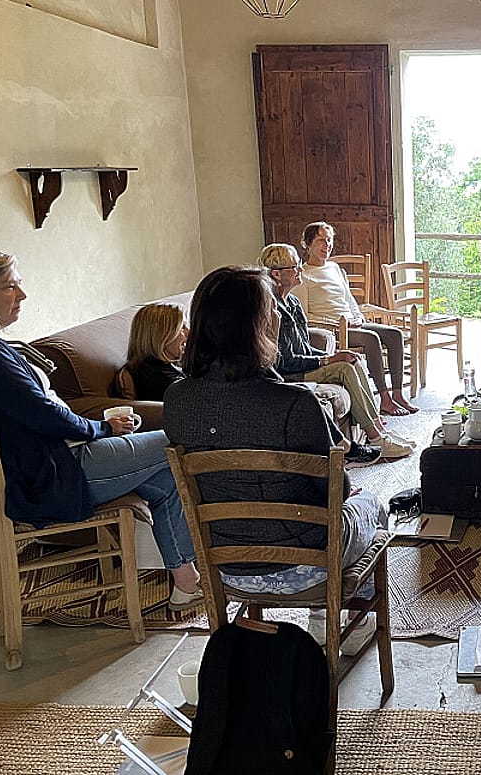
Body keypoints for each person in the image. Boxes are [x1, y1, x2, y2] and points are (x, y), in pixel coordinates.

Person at [0, 249, 202, 611]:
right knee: (183, 439)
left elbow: (41, 411)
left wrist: (101, 429)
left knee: (164, 474)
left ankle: (187, 584)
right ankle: (205, 565)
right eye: (10, 287)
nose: (22, 295)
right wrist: (103, 428)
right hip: (55, 473)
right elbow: (44, 414)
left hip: (55, 461)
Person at [163, 266, 389, 654]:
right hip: (304, 565)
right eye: (272, 309)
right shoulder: (297, 403)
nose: (280, 316)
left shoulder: (177, 400)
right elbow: (337, 493)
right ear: (253, 326)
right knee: (372, 505)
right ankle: (341, 619)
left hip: (223, 565)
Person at [261, 243, 413, 460]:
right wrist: (328, 359)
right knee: (343, 368)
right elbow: (285, 362)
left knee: (352, 361)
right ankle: (375, 438)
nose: (299, 270)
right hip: (289, 375)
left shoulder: (292, 302)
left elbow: (304, 347)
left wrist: (334, 356)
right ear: (276, 274)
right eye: (294, 267)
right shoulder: (273, 309)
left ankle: (379, 428)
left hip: (301, 365)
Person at [291, 221, 419, 417]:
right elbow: (305, 317)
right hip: (333, 328)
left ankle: (397, 394)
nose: (327, 245)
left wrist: (357, 316)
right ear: (307, 244)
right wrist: (339, 323)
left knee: (394, 334)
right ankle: (384, 400)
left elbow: (349, 299)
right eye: (321, 241)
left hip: (353, 323)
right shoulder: (304, 276)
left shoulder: (334, 268)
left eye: (329, 240)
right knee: (371, 338)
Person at [125, 301, 187, 401]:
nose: (189, 333)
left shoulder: (163, 365)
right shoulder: (158, 379)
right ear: (161, 337)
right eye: (182, 328)